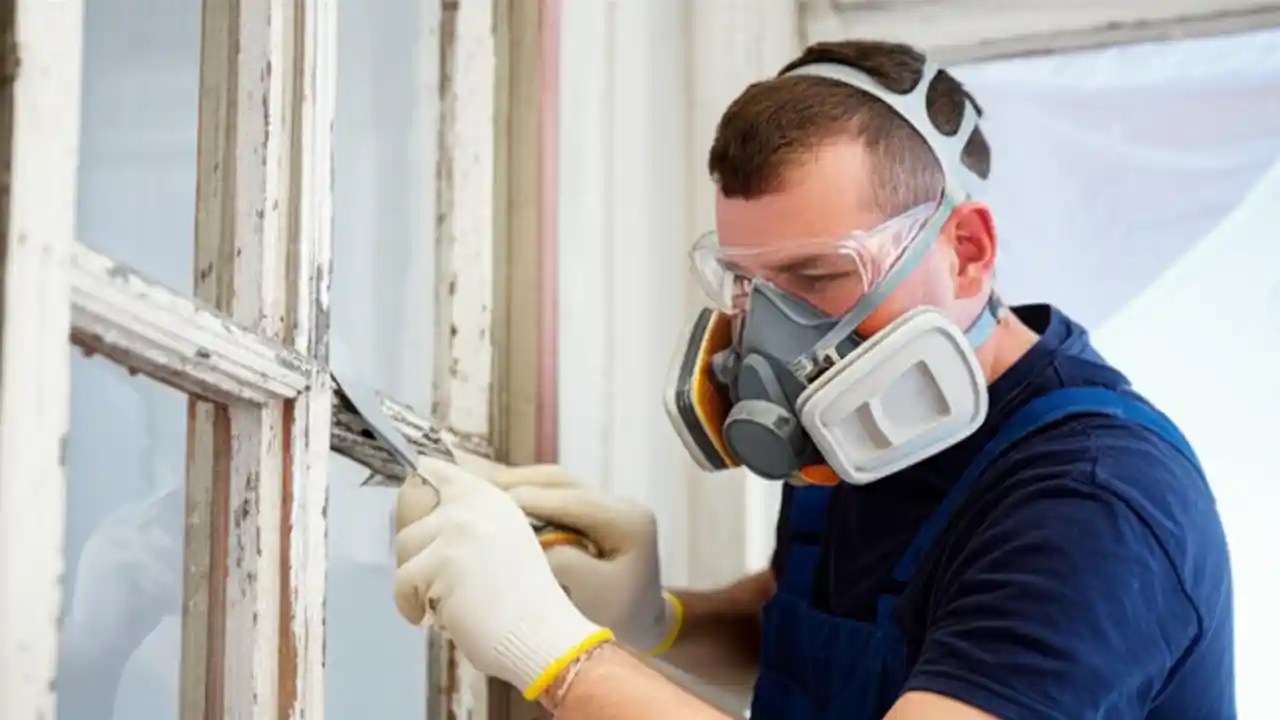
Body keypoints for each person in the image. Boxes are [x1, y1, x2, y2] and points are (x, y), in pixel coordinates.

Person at [392, 40, 1235, 719]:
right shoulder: (869, 432)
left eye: (820, 275)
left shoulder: (1096, 508)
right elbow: (820, 630)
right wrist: (660, 620)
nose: (772, 341)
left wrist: (553, 653)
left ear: (967, 249)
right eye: (748, 283)